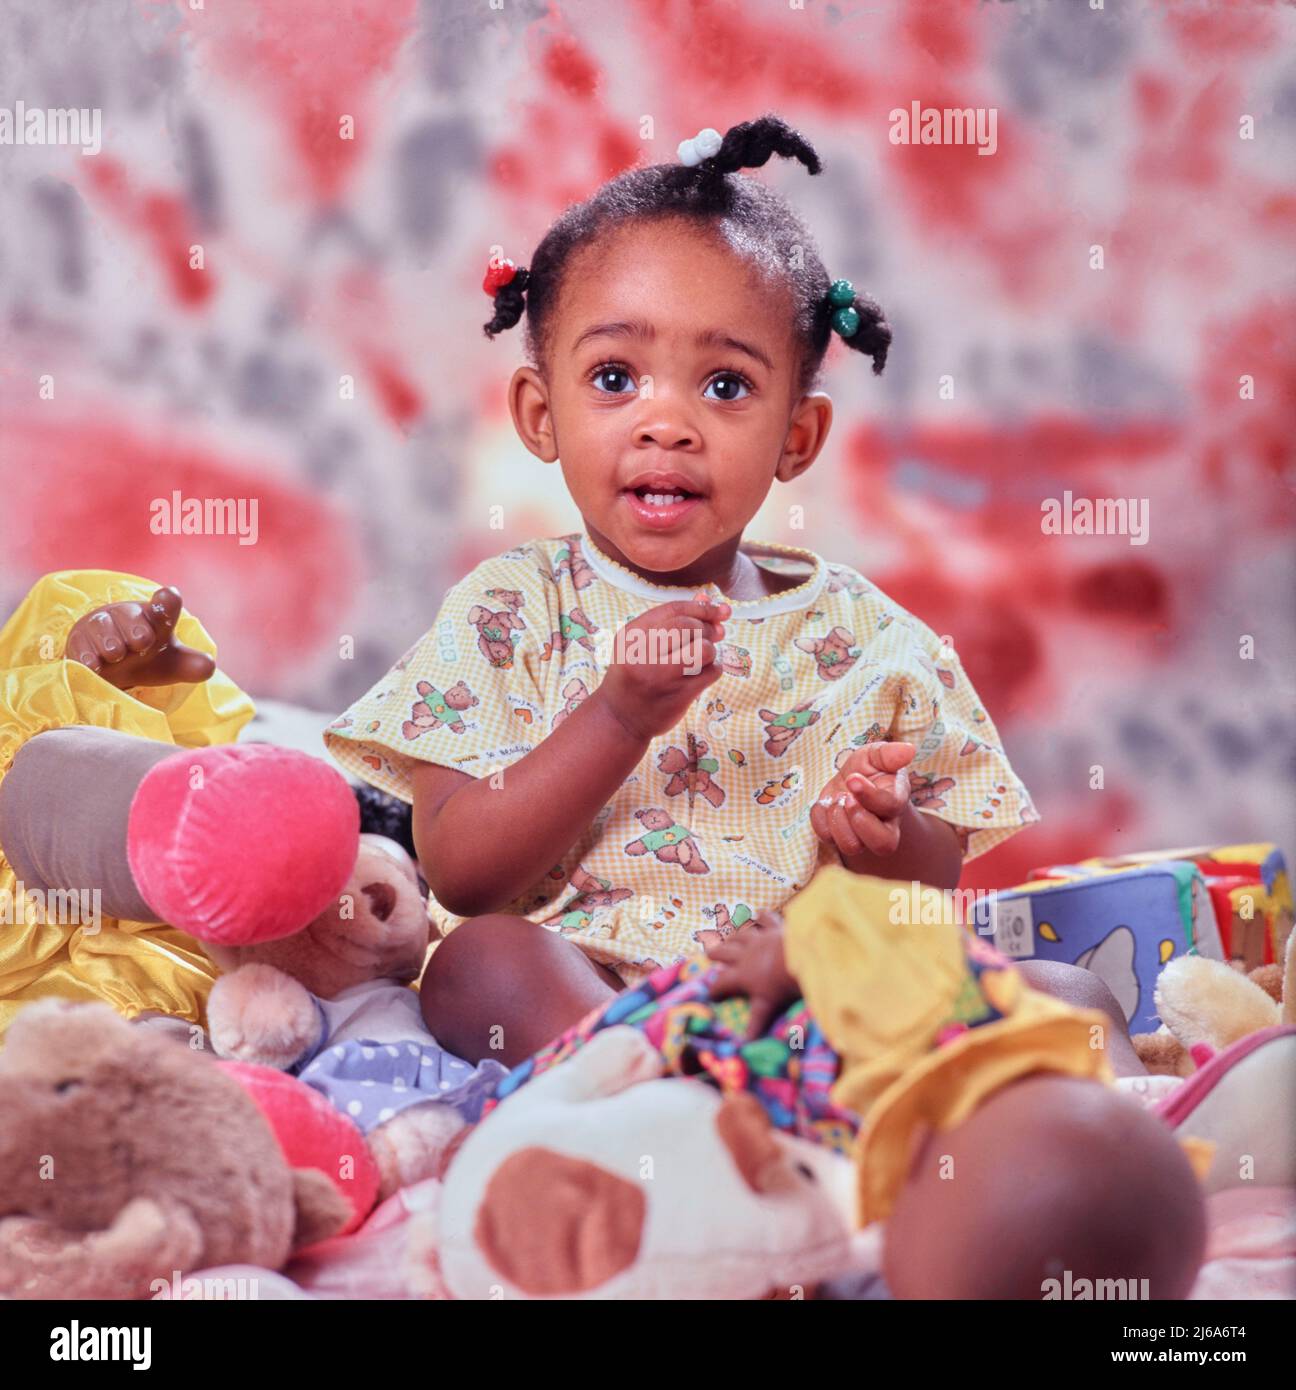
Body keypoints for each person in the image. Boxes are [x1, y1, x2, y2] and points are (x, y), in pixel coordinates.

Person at [324, 114, 1045, 1067]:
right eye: (616, 377)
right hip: (589, 988)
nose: (667, 424)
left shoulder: (867, 638)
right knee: (475, 966)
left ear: (798, 437)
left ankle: (811, 1079)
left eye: (727, 387)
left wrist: (888, 835)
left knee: (1040, 985)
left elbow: (929, 884)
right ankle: (674, 1073)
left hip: (803, 987)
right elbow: (463, 872)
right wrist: (617, 718)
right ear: (542, 416)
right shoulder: (510, 612)